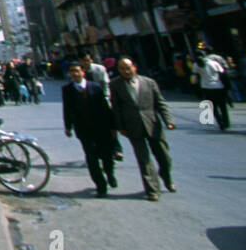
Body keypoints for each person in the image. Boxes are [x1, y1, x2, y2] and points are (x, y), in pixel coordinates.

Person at [110, 58, 176, 201]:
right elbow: (116, 108)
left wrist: (168, 121)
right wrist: (120, 127)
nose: (126, 71)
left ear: (134, 67)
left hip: (152, 124)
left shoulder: (149, 82)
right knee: (143, 159)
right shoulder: (115, 85)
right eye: (122, 68)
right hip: (132, 126)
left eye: (128, 68)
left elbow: (160, 103)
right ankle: (152, 190)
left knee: (164, 157)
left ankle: (166, 177)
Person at [62, 62, 117, 196]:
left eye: (77, 71)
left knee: (106, 155)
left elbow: (105, 107)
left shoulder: (95, 87)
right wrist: (68, 126)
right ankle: (100, 186)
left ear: (83, 72)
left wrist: (113, 126)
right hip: (83, 129)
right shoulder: (67, 89)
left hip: (101, 127)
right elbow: (67, 108)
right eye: (71, 71)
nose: (74, 74)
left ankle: (109, 173)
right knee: (91, 157)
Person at [80, 54, 124, 161]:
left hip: (102, 99)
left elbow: (105, 84)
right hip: (88, 104)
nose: (86, 63)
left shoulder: (100, 69)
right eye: (83, 61)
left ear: (91, 59)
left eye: (88, 60)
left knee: (111, 126)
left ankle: (117, 148)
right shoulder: (79, 71)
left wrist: (105, 98)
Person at [193, 44, 231, 131]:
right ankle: (226, 122)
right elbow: (223, 75)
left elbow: (194, 78)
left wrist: (196, 89)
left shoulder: (196, 65)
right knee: (222, 106)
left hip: (206, 88)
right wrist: (227, 86)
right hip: (218, 87)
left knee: (212, 107)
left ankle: (220, 122)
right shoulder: (214, 63)